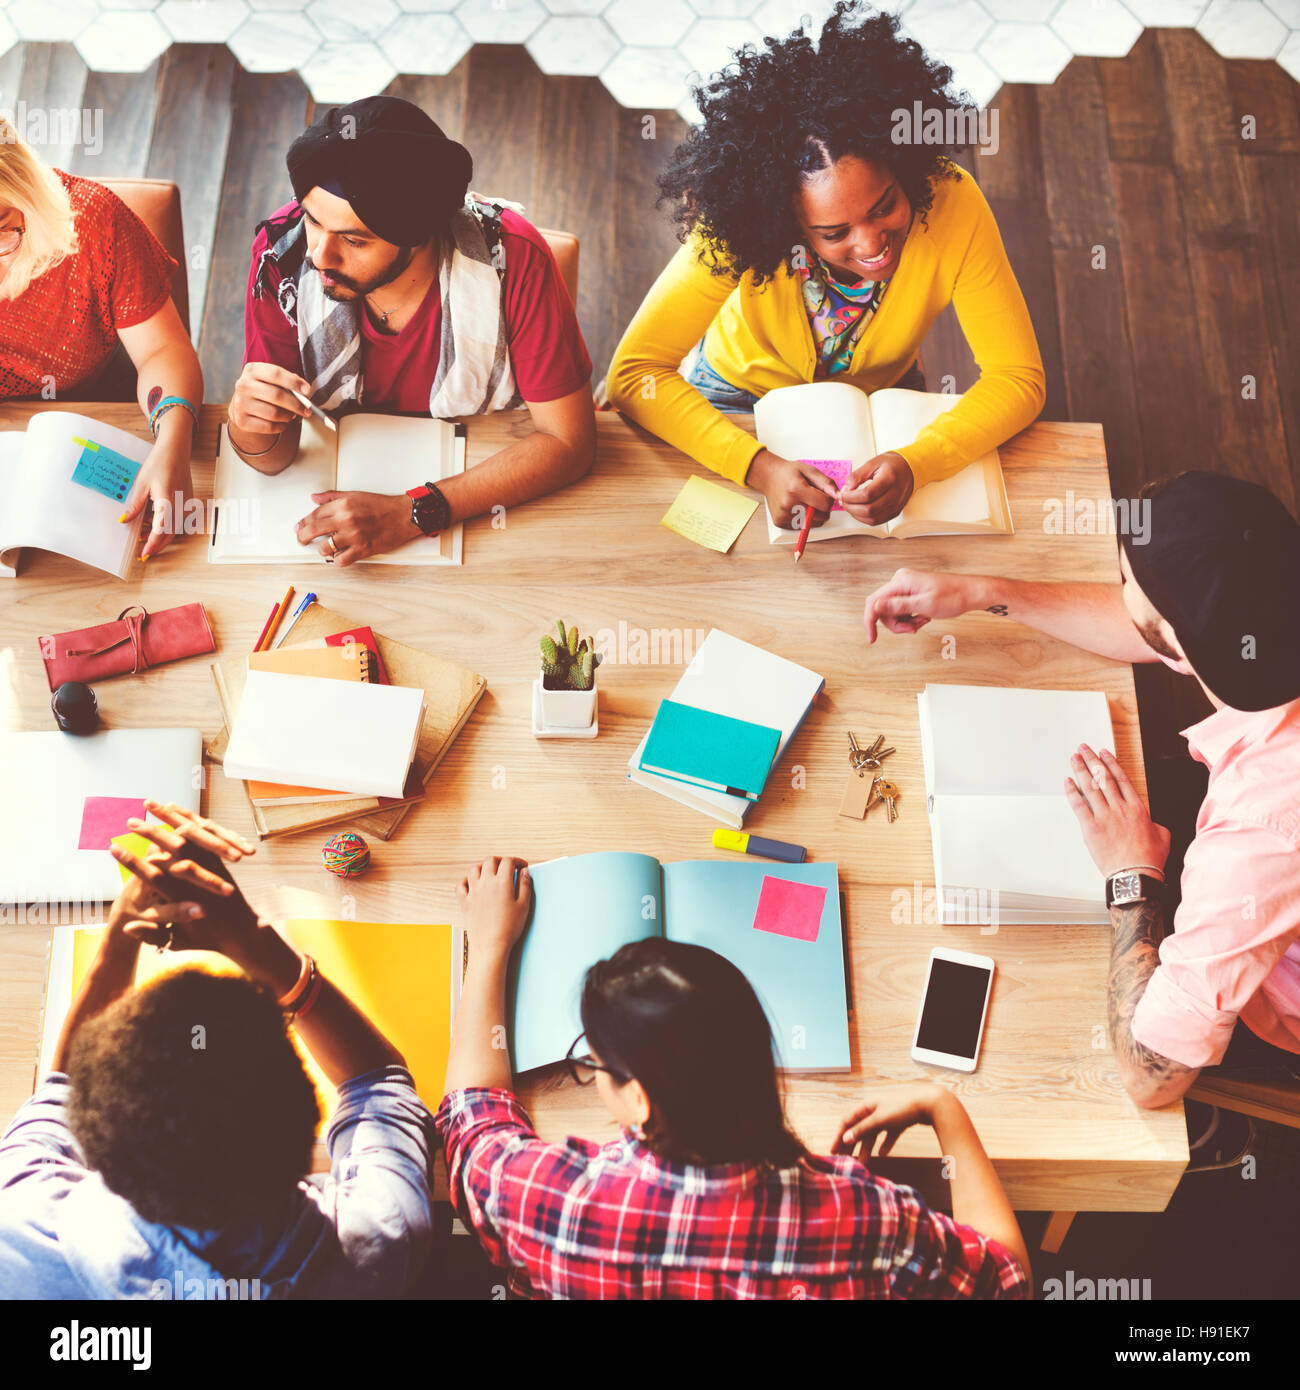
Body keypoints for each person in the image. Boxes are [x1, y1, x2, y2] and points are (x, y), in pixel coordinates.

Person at [863, 472, 1300, 1134]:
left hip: (1272, 1003)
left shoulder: (1260, 829)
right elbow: (1156, 624)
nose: (1123, 597)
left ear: (1179, 636)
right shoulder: (1265, 620)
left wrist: (1132, 874)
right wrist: (982, 594)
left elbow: (1147, 1071)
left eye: (1132, 590)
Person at [436, 855, 1031, 1299]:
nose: (593, 1072)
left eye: (595, 1063)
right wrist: (942, 1106)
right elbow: (1010, 1282)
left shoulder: (554, 1203)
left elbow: (471, 1120)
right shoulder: (865, 1218)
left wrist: (488, 943)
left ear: (640, 1099)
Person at [606, 0, 1043, 533]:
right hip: (736, 392)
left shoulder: (953, 203)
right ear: (784, 223)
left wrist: (917, 462)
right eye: (834, 234)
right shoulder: (743, 218)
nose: (872, 245)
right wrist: (756, 466)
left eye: (885, 206)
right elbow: (633, 374)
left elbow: (1018, 379)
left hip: (876, 397)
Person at [0, 803, 435, 1299]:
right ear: (308, 1113)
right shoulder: (376, 1241)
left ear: (93, 1141)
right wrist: (253, 942)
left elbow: (59, 1090)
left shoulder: (19, 1231)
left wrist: (120, 933)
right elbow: (375, 1082)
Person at [230, 95, 595, 566]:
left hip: (479, 521)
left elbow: (570, 442)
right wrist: (247, 423)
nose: (320, 255)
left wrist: (413, 512)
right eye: (313, 220)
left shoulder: (513, 261)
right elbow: (272, 459)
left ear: (420, 233)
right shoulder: (282, 257)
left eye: (355, 240)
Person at [0, 119, 202, 558]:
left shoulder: (92, 220)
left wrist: (173, 440)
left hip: (98, 416)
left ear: (29, 196)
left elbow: (161, 350)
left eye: (2, 228)